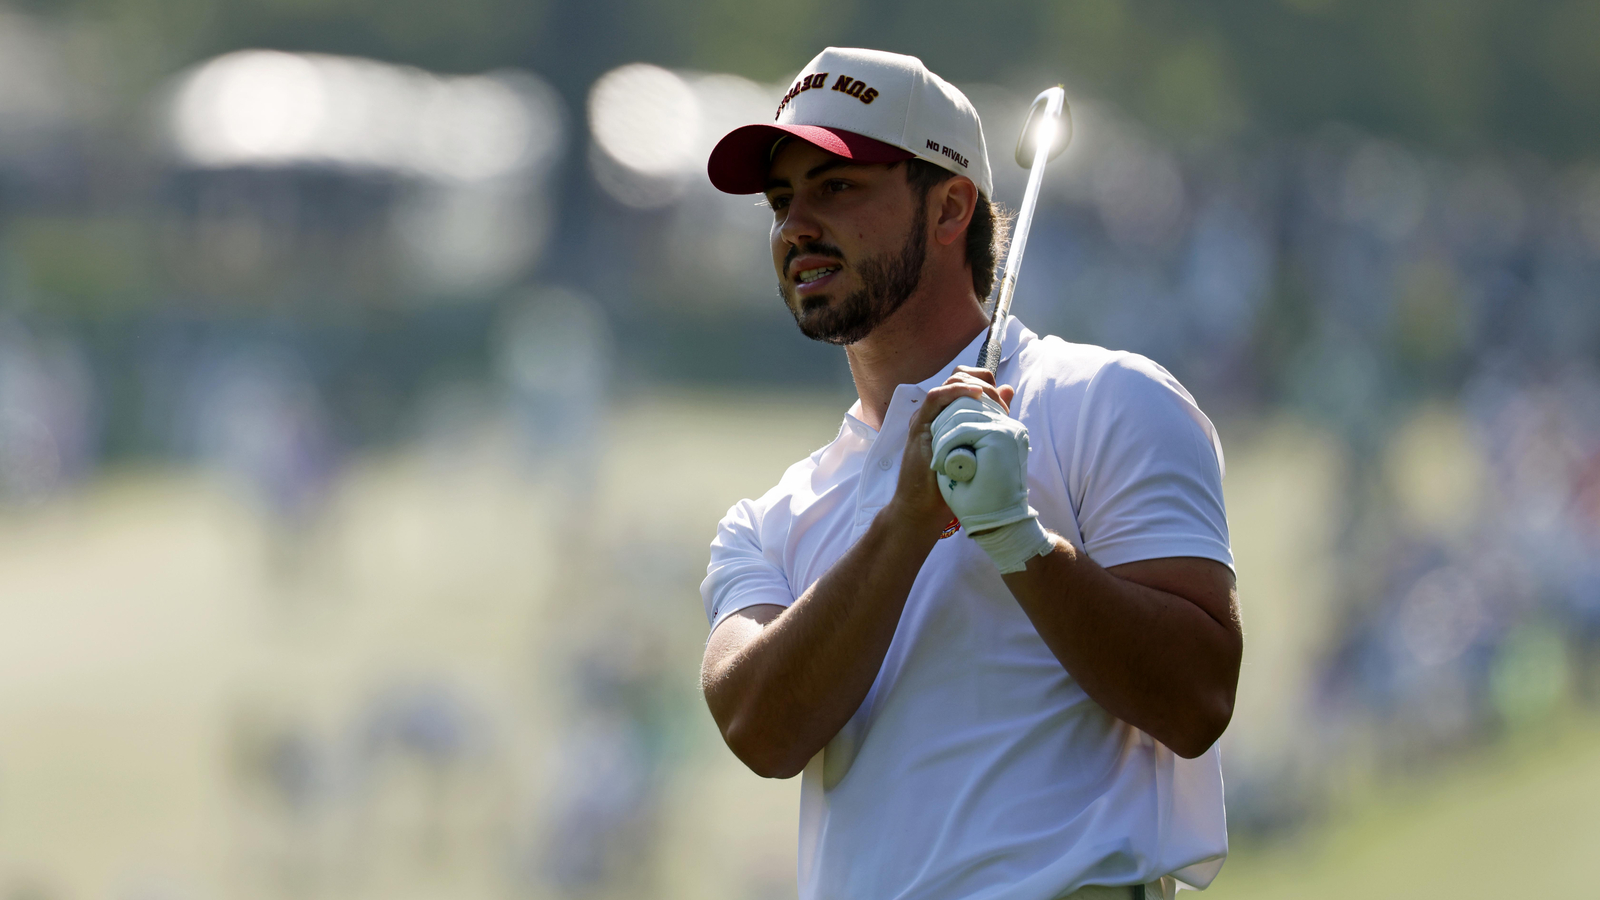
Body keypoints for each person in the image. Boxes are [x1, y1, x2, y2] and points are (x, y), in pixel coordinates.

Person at [698, 47, 1242, 900]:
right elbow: (759, 728)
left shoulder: (1110, 401)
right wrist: (907, 524)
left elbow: (1196, 698)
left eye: (837, 188)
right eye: (781, 201)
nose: (796, 225)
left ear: (951, 207)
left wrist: (1016, 537)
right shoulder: (769, 518)